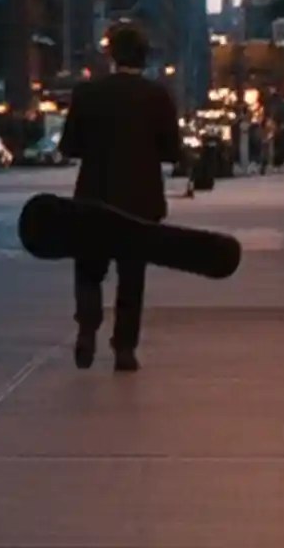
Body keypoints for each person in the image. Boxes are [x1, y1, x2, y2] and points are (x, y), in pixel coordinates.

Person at [59, 19, 181, 372]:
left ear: (112, 55)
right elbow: (172, 152)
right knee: (132, 276)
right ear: (144, 57)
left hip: (94, 195)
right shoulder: (157, 96)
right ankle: (124, 348)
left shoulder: (87, 94)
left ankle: (87, 328)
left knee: (88, 269)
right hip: (140, 199)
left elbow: (70, 147)